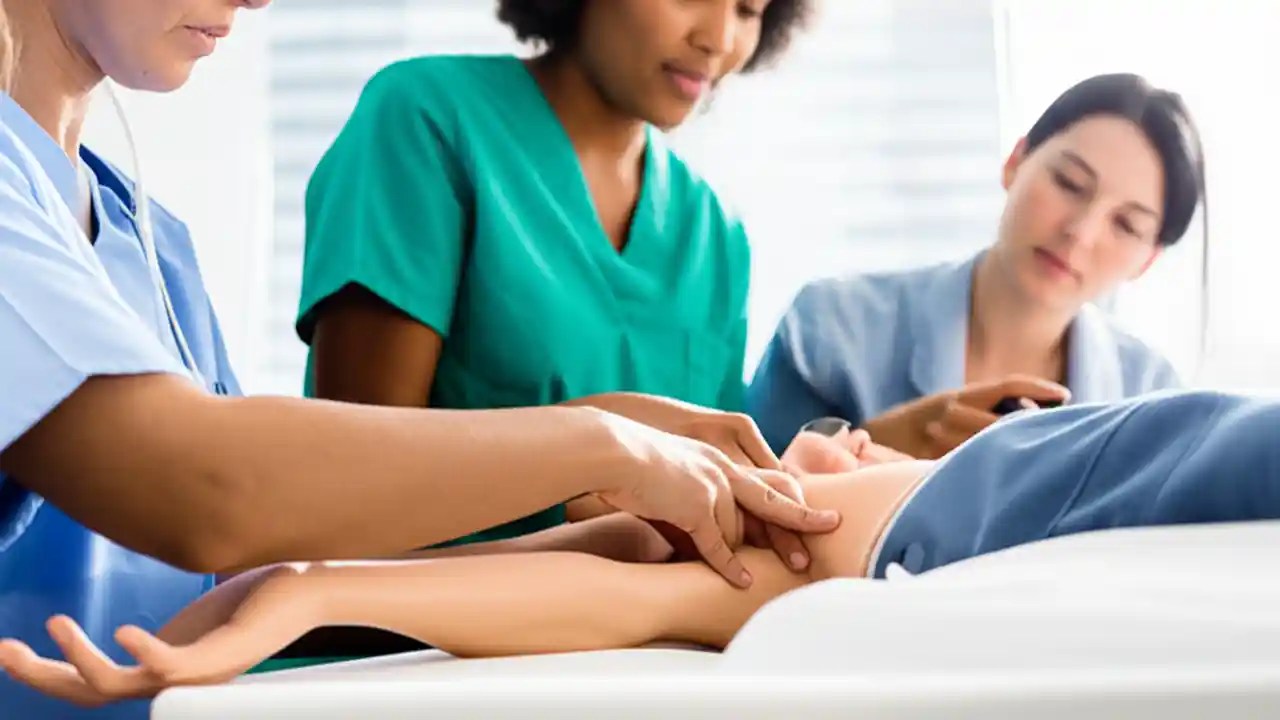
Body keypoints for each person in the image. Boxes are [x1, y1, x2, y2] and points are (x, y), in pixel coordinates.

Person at [0, 2, 839, 718]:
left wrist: (605, 548)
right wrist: (594, 440)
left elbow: (231, 587)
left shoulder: (150, 242)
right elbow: (207, 492)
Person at [5, 389, 1277, 708]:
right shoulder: (815, 539)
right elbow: (619, 586)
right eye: (818, 435)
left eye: (830, 435)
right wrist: (299, 593)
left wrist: (297, 590)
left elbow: (622, 557)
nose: (812, 445)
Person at [297, 0, 813, 544]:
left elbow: (715, 503)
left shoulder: (714, 232)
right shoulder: (427, 119)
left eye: (749, 10)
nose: (719, 38)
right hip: (416, 616)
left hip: (651, 626)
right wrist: (590, 452)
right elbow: (354, 475)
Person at [747, 73, 1206, 458]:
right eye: (1069, 183)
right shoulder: (830, 329)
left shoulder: (1154, 399)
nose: (1081, 233)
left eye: (1126, 225)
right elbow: (743, 505)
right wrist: (880, 447)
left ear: (1147, 261)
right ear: (1014, 162)